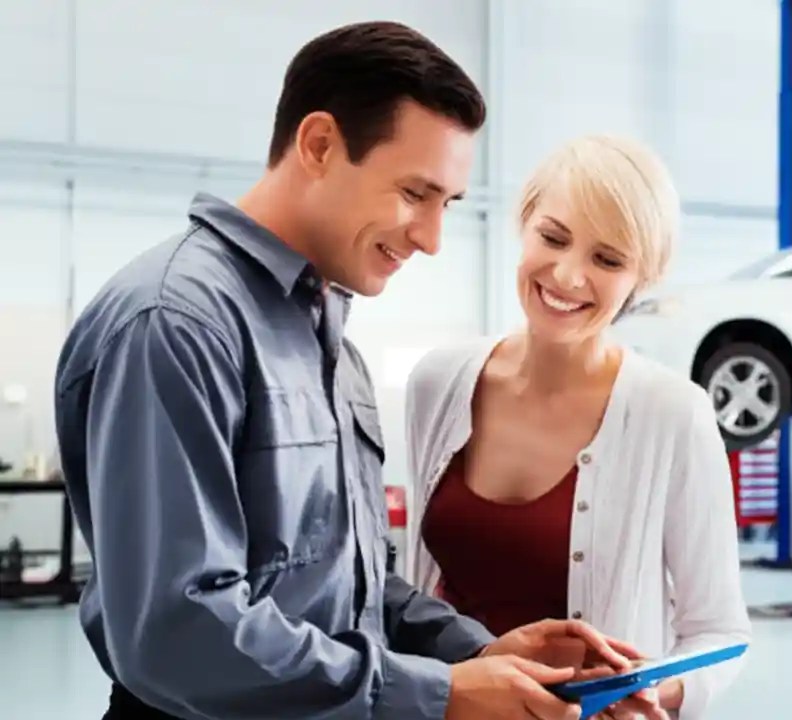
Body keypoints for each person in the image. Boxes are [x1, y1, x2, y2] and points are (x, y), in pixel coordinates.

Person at [53, 21, 645, 720]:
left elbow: (344, 586)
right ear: (320, 146)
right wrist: (441, 695)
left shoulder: (330, 337)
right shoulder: (176, 324)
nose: (430, 238)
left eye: (447, 205)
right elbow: (179, 634)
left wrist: (476, 654)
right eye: (414, 194)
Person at [403, 135, 753, 720]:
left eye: (608, 259)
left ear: (641, 276)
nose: (567, 275)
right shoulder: (438, 382)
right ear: (525, 225)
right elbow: (409, 588)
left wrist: (647, 693)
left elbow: (719, 632)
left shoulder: (673, 413)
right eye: (553, 237)